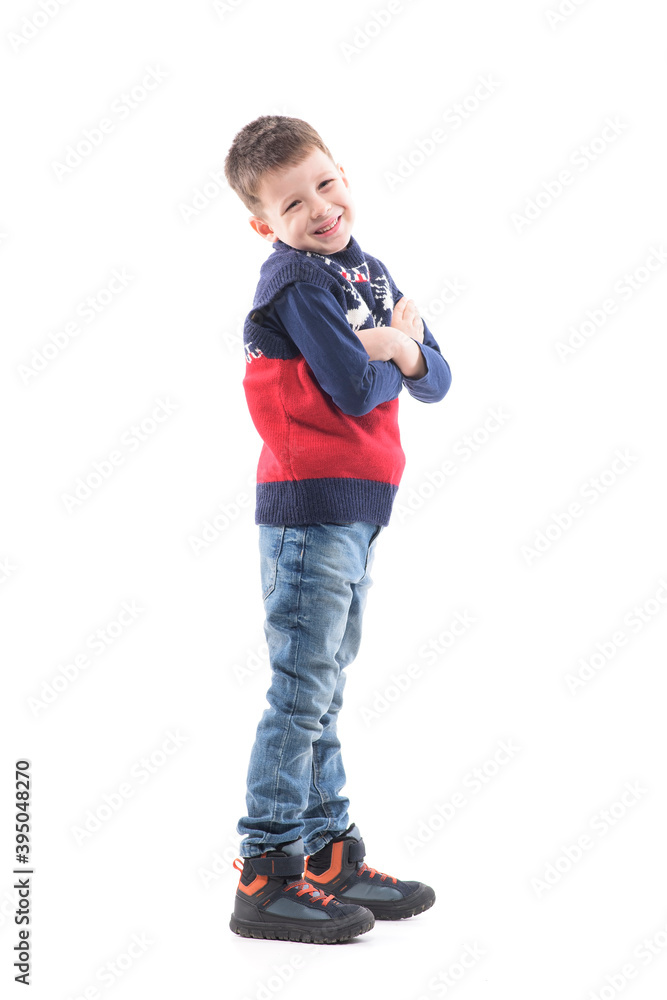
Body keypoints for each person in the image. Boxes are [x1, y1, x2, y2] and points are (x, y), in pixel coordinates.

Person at [223, 115, 452, 943]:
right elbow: (356, 391)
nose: (319, 208)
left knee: (323, 692)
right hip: (309, 506)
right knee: (298, 693)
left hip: (355, 507)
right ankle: (265, 873)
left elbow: (436, 377)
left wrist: (395, 351)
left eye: (325, 183)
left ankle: (328, 856)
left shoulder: (362, 270)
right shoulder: (295, 281)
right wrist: (395, 341)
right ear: (263, 224)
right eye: (291, 203)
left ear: (343, 172)